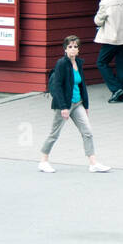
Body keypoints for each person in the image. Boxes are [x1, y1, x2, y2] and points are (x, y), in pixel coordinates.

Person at [39, 36, 112, 173]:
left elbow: (82, 85)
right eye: (70, 47)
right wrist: (63, 107)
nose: (73, 49)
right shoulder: (61, 64)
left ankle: (93, 163)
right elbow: (58, 86)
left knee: (87, 132)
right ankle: (43, 161)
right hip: (64, 105)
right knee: (54, 133)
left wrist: (86, 105)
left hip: (78, 103)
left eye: (75, 47)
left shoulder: (78, 63)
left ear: (78, 49)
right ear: (65, 49)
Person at [94, 0, 123, 103]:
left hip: (111, 39)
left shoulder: (105, 2)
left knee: (101, 62)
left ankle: (116, 89)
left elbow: (98, 21)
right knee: (121, 65)